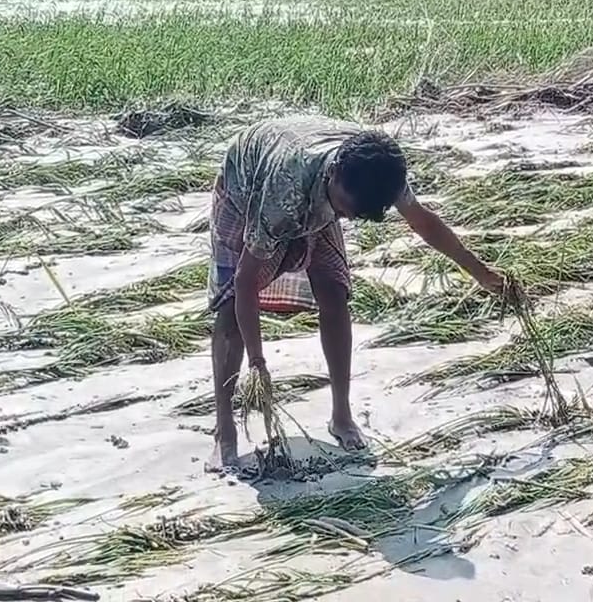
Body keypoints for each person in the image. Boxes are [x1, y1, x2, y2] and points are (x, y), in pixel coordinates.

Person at [205, 118, 522, 471]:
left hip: (315, 179)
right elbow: (246, 281)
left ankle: (341, 413)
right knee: (231, 306)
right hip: (247, 182)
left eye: (351, 216)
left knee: (335, 292)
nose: (344, 218)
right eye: (343, 210)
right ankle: (224, 429)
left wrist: (480, 273)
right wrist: (258, 362)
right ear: (335, 173)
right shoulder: (286, 189)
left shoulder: (382, 172)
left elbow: (423, 222)